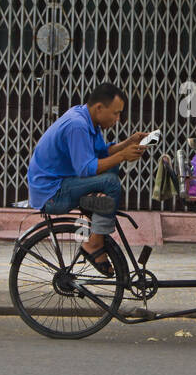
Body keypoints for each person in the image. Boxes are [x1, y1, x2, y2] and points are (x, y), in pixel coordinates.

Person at [26, 83, 149, 275]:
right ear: (99, 108)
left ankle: (97, 213)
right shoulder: (77, 125)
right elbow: (85, 169)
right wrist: (123, 155)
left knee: (112, 166)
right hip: (52, 193)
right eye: (116, 113)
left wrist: (128, 143)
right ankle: (94, 244)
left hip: (63, 184)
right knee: (111, 182)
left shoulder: (87, 118)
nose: (118, 119)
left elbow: (101, 153)